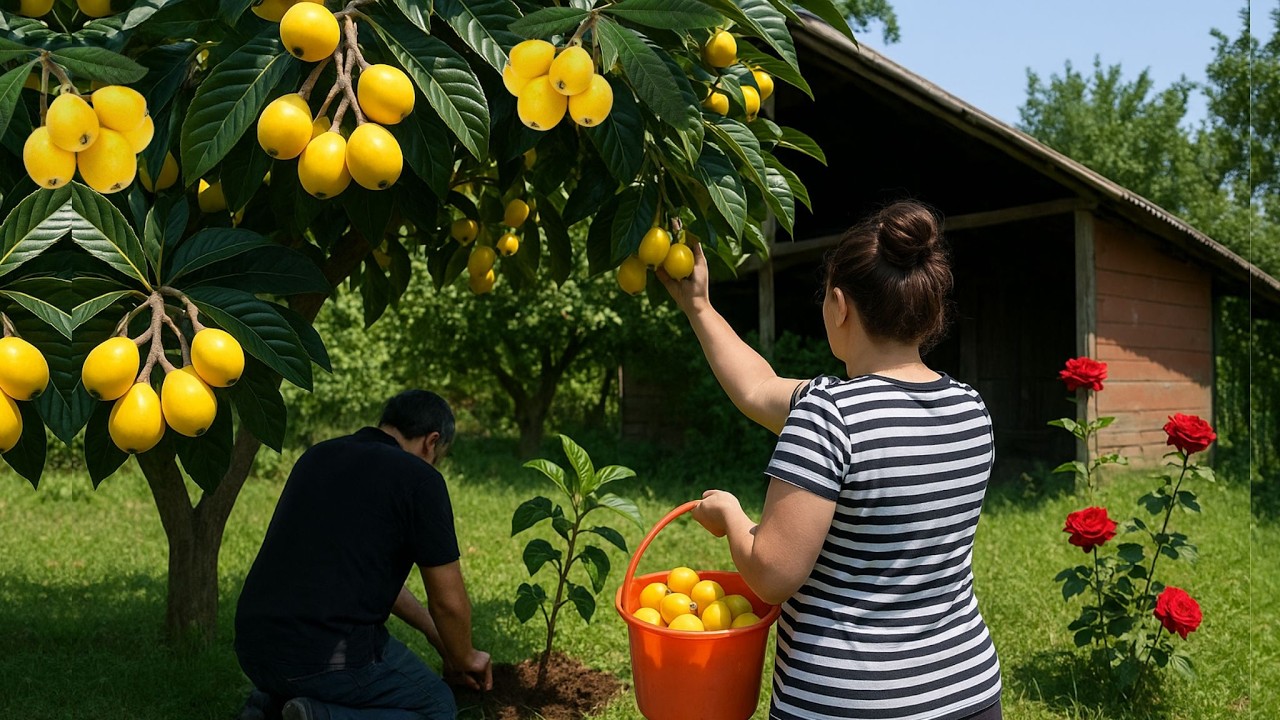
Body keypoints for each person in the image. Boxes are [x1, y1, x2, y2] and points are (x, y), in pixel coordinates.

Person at [658, 201, 1002, 720]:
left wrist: (730, 515)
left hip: (847, 702)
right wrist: (699, 306)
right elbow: (758, 387)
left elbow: (772, 574)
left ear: (839, 305)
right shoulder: (969, 408)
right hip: (966, 691)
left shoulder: (829, 413)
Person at [233, 389, 492, 720]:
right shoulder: (420, 479)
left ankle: (267, 706)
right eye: (438, 456)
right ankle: (318, 714)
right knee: (436, 706)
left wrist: (432, 631)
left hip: (254, 646)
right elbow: (449, 603)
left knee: (308, 669)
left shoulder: (318, 456)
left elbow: (362, 569)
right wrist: (466, 656)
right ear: (431, 442)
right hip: (326, 658)